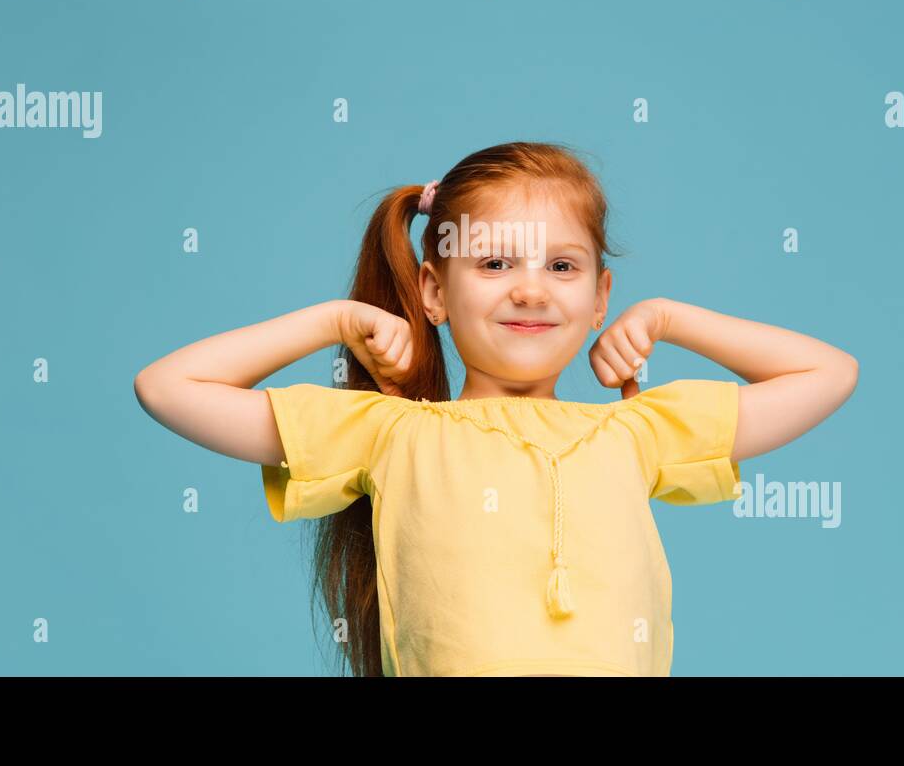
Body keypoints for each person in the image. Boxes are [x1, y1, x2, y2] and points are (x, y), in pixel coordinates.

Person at [134, 140, 858, 676]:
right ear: (434, 292)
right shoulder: (388, 434)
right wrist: (332, 320)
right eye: (494, 263)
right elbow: (169, 388)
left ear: (601, 296)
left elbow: (829, 372)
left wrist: (672, 319)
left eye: (562, 266)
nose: (532, 290)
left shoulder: (638, 432)